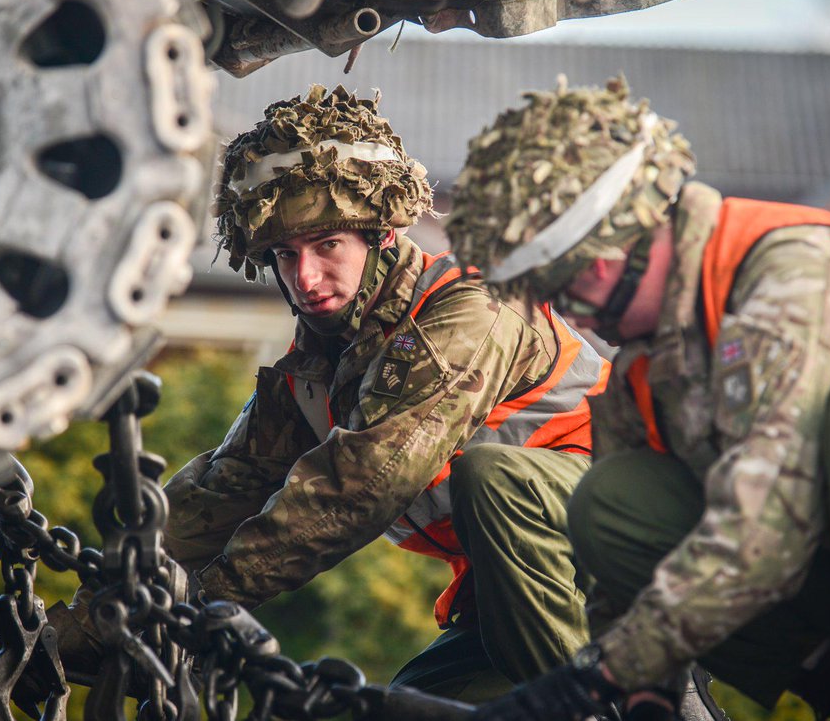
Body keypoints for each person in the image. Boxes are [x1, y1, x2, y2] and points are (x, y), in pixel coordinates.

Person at [444, 76, 830, 720]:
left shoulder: (791, 275)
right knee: (613, 500)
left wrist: (592, 679)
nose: (574, 320)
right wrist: (635, 691)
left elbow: (767, 525)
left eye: (565, 291)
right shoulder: (650, 358)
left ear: (602, 263)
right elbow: (616, 584)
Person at [156, 84, 609, 702]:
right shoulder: (313, 370)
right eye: (285, 255)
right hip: (523, 591)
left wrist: (205, 604)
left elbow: (362, 482)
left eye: (328, 245)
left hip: (632, 539)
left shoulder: (469, 311)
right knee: (408, 710)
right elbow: (225, 490)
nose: (305, 278)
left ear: (384, 236)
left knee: (492, 476)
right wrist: (116, 604)